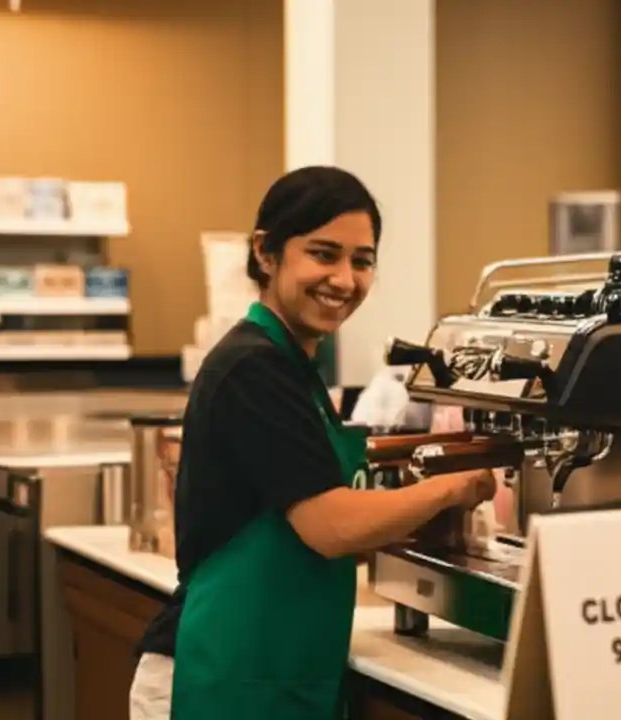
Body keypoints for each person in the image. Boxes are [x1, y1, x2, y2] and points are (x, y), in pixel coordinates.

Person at [128, 166, 497, 720]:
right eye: (323, 254)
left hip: (265, 665)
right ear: (267, 253)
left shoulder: (291, 365)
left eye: (362, 260)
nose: (345, 279)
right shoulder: (253, 367)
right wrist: (453, 488)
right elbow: (331, 525)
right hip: (220, 672)